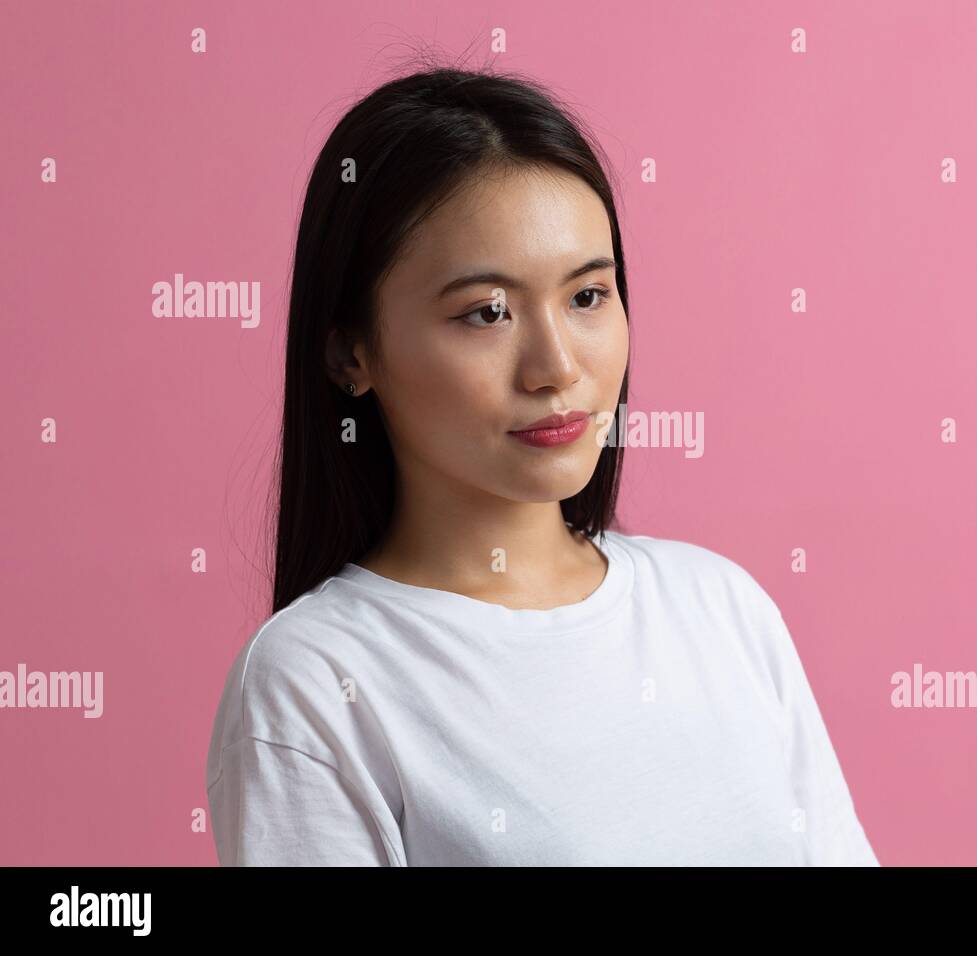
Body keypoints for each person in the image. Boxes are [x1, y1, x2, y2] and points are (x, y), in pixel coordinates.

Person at [204, 64, 879, 866]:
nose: (555, 366)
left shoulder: (723, 610)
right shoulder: (315, 685)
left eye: (588, 297)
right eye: (486, 313)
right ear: (352, 353)